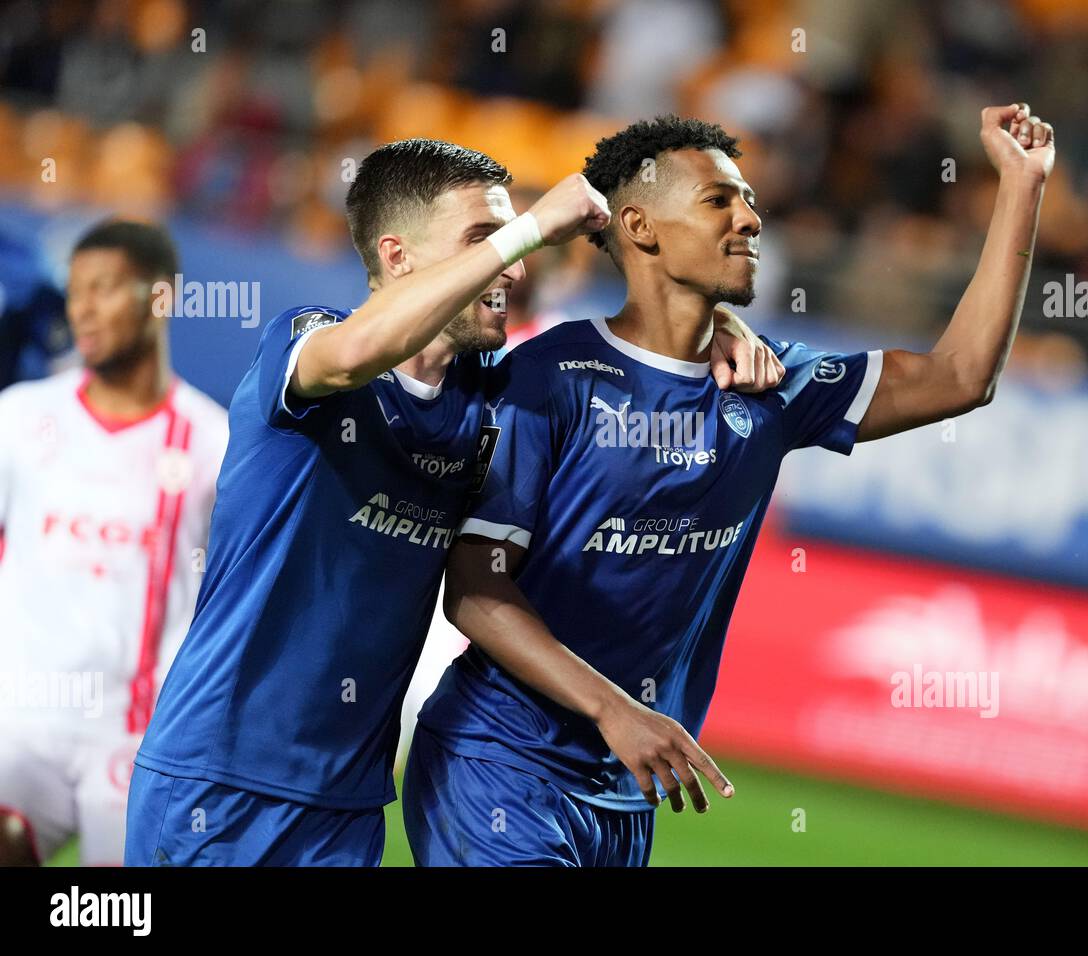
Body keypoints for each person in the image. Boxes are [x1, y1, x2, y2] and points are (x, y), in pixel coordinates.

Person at [406, 105, 1055, 866]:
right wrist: (616, 710)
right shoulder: (551, 378)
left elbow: (960, 376)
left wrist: (1021, 185)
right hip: (498, 766)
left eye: (749, 200)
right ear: (641, 227)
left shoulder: (771, 382)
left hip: (624, 794)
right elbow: (478, 590)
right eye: (719, 200)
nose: (750, 218)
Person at [126, 138, 778, 866]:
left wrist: (720, 322)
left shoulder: (487, 395)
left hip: (349, 802)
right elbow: (351, 355)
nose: (514, 266)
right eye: (485, 239)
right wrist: (528, 228)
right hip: (219, 780)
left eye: (510, 240)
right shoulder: (306, 347)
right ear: (398, 256)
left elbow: (638, 330)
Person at [0, 219, 229, 865]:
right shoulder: (20, 417)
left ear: (160, 298)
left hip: (138, 742)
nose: (83, 310)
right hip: (17, 724)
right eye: (75, 291)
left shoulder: (214, 445)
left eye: (104, 289)